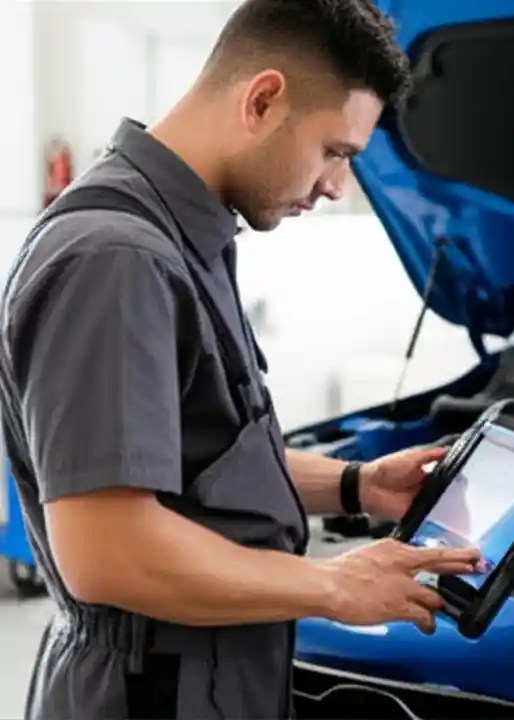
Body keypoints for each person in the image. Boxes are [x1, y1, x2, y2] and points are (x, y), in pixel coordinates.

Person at [0, 1, 482, 718]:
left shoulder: (181, 237)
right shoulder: (118, 259)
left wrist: (357, 484)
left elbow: (197, 460)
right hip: (148, 695)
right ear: (262, 100)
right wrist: (334, 583)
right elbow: (107, 553)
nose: (336, 185)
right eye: (336, 152)